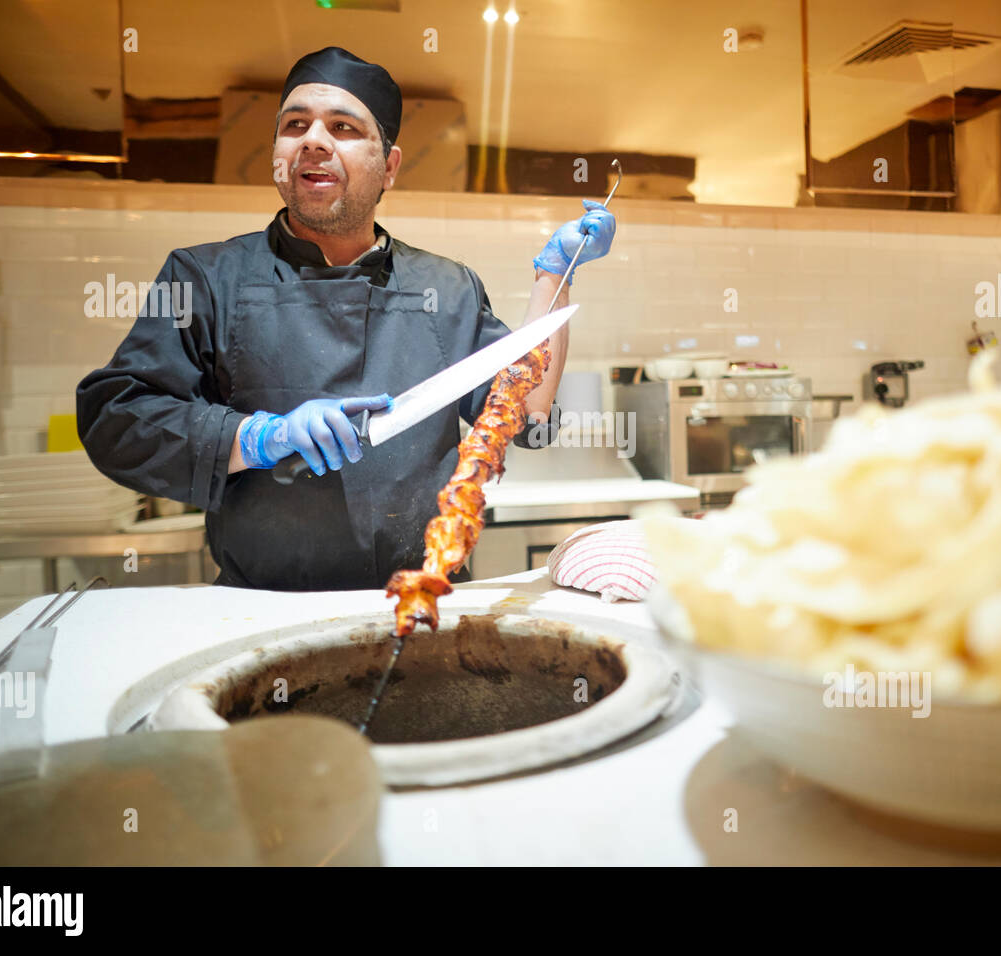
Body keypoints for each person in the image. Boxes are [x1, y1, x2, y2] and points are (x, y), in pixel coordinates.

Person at [75, 46, 616, 591]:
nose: (313, 140)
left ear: (389, 168)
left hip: (425, 604)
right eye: (294, 125)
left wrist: (554, 274)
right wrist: (258, 436)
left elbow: (527, 413)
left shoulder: (448, 288)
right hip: (261, 609)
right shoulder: (205, 278)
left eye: (343, 127)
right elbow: (117, 421)